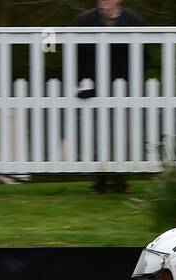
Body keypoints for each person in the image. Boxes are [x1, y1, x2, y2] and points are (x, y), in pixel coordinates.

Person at [75, 0, 145, 193]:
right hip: (93, 86)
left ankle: (121, 179)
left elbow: (143, 56)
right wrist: (79, 82)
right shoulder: (85, 20)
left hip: (124, 87)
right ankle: (99, 181)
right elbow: (77, 54)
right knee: (96, 135)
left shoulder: (133, 20)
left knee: (121, 135)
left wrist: (132, 82)